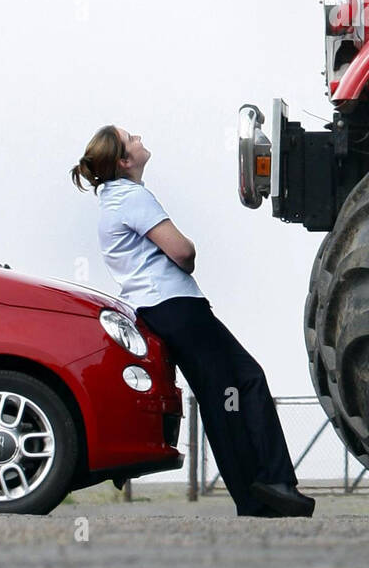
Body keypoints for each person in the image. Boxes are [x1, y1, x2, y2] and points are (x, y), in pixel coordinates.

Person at [71, 125, 314, 518]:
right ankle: (273, 483)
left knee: (224, 395)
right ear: (124, 161)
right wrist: (190, 256)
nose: (139, 136)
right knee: (245, 381)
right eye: (130, 137)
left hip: (157, 310)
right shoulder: (134, 197)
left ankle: (257, 496)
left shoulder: (111, 203)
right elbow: (182, 252)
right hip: (177, 305)